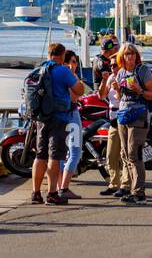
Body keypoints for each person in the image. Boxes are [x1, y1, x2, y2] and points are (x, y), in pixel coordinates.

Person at [29, 42, 85, 206]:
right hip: (59, 118)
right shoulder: (62, 70)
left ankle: (35, 193)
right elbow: (80, 90)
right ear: (61, 56)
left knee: (40, 155)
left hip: (41, 119)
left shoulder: (39, 70)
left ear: (49, 54)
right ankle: (52, 194)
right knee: (55, 156)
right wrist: (73, 75)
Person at [109, 43, 152, 204]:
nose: (130, 56)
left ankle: (139, 192)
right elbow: (120, 96)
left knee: (134, 153)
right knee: (125, 154)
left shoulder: (144, 71)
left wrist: (139, 90)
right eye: (127, 54)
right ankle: (131, 188)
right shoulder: (121, 72)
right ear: (122, 56)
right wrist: (116, 88)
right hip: (123, 114)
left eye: (133, 53)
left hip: (139, 115)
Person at [96, 40, 128, 198]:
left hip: (124, 117)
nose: (112, 68)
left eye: (115, 65)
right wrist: (104, 80)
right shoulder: (110, 78)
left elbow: (126, 98)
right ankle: (114, 183)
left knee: (124, 154)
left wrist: (119, 90)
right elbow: (101, 96)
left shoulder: (124, 78)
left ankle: (125, 184)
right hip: (112, 118)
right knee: (110, 154)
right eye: (111, 66)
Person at [57, 50, 85, 199]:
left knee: (61, 153)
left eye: (74, 62)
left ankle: (60, 186)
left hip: (59, 117)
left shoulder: (58, 76)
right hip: (71, 114)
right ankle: (64, 187)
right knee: (75, 151)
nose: (72, 65)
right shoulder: (70, 77)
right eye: (70, 61)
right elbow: (75, 96)